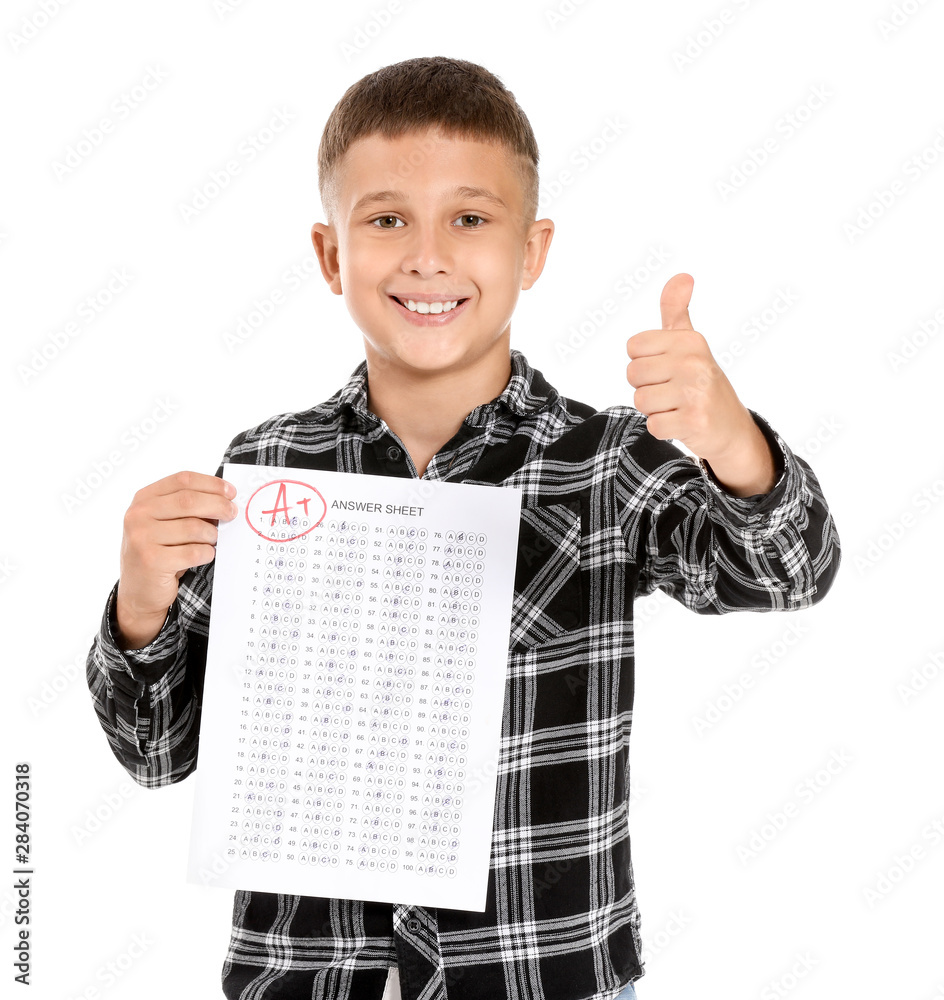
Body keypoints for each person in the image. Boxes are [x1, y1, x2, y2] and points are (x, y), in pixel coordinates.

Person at [85, 56, 840, 1000]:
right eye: (387, 218)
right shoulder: (266, 466)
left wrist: (733, 440)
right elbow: (157, 753)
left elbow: (790, 570)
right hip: (310, 976)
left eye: (471, 219)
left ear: (532, 251)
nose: (428, 255)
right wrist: (142, 597)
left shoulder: (603, 464)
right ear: (331, 255)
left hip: (542, 973)